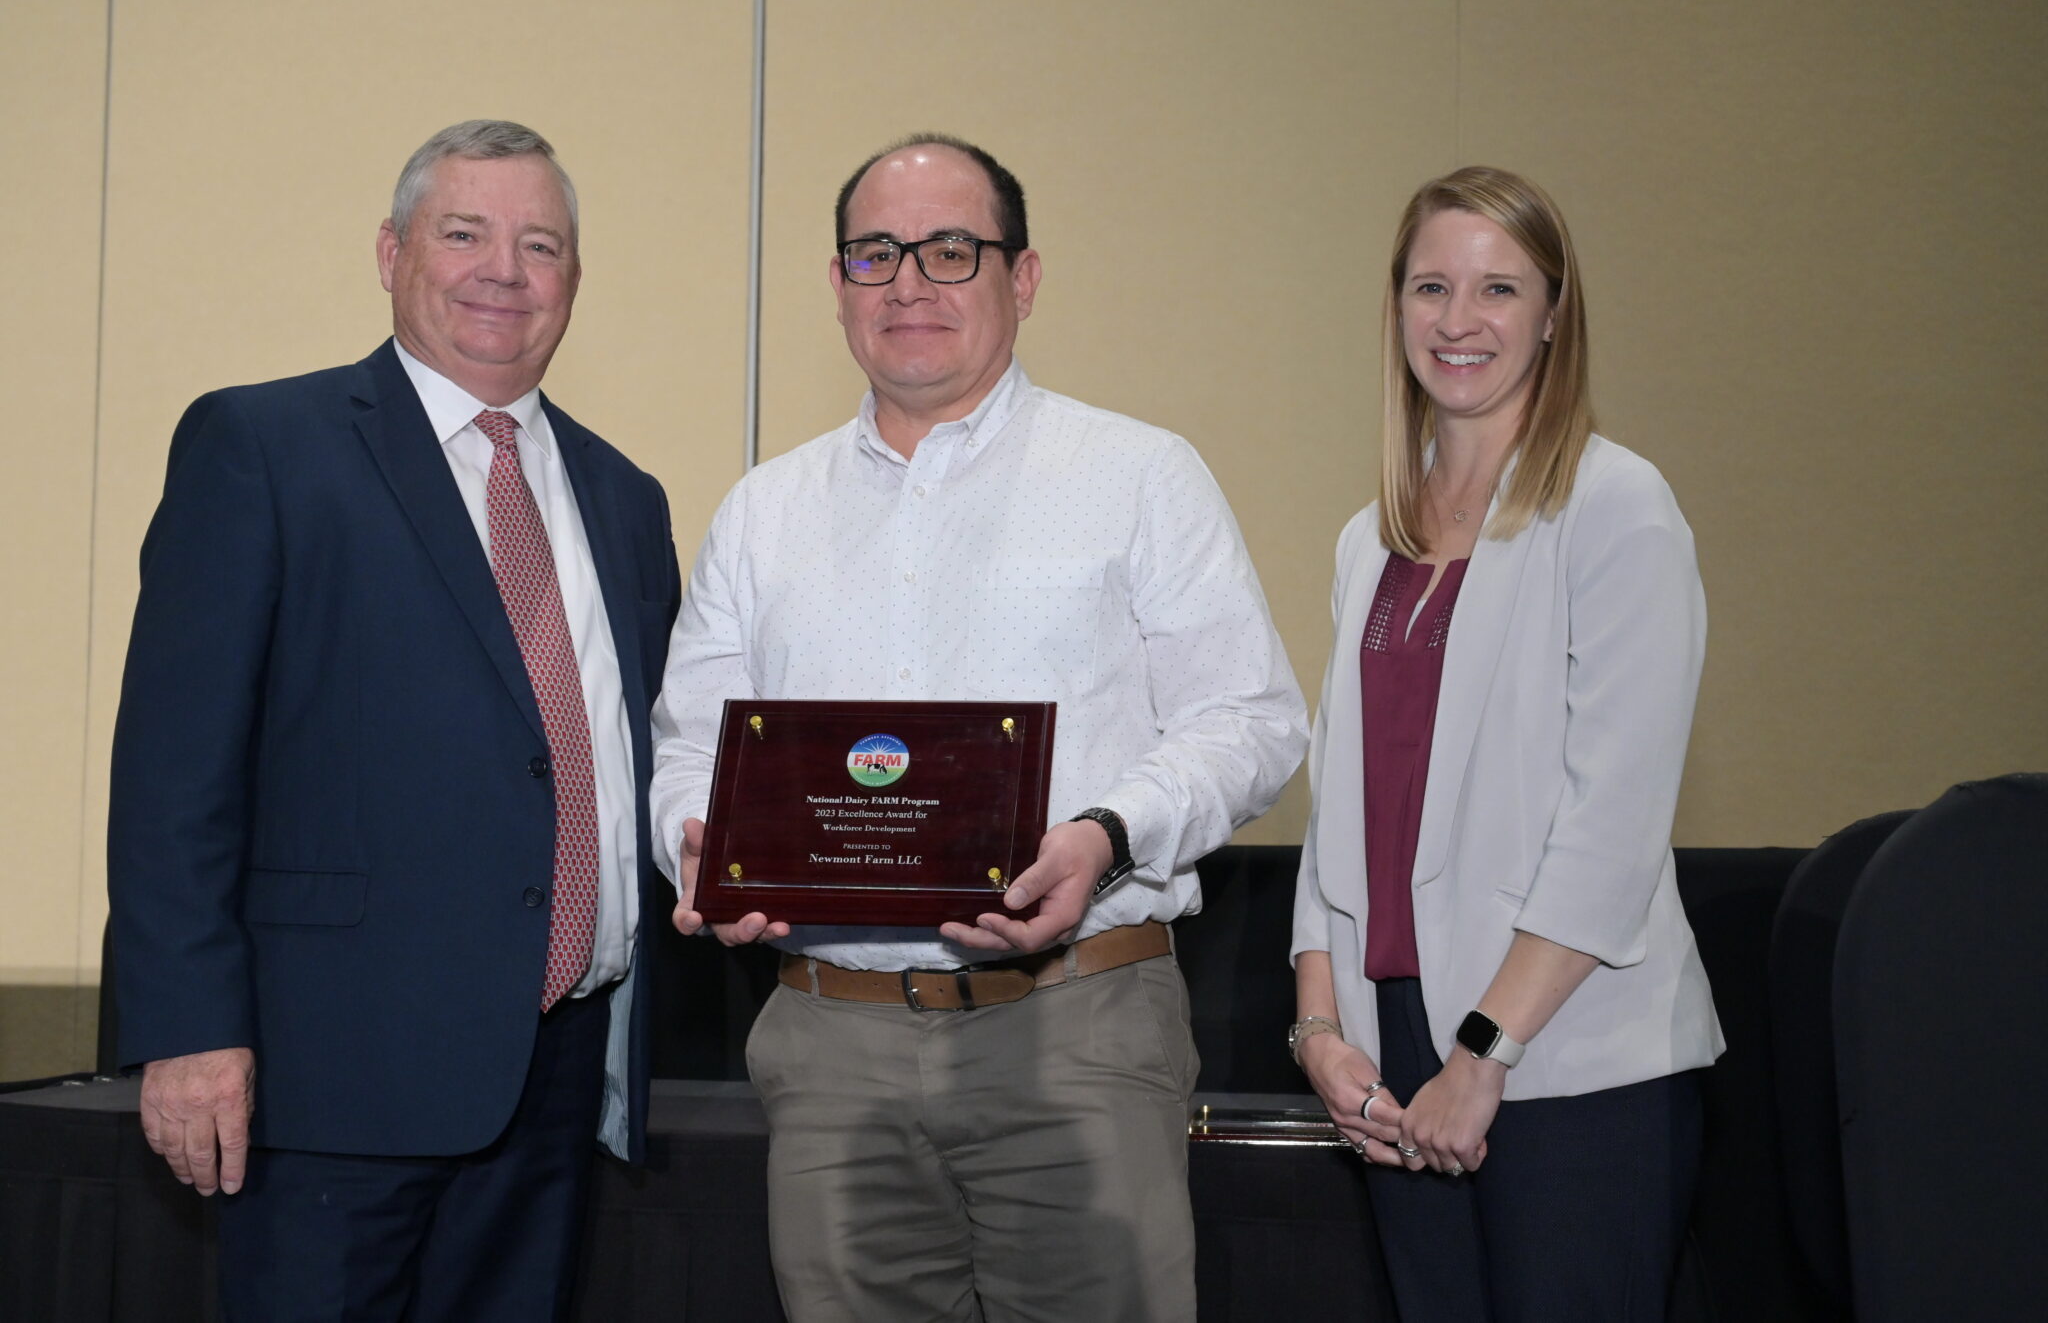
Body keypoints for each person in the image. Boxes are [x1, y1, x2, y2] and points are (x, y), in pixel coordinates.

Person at [650, 134, 1307, 1322]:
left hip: (1077, 1027)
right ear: (838, 283)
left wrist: (1107, 831)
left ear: (1025, 276)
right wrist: (694, 839)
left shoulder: (1139, 475)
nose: (909, 282)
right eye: (874, 253)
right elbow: (694, 739)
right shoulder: (762, 512)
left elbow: (1251, 718)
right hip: (830, 1045)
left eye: (951, 249)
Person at [106, 120, 681, 1322]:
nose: (502, 271)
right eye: (463, 232)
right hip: (330, 1075)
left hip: (559, 1069)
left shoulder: (625, 498)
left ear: (574, 280)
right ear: (390, 251)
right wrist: (190, 1031)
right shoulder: (263, 447)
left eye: (541, 245)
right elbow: (174, 774)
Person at [1289, 165, 1723, 1322]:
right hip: (1393, 1054)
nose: (1457, 319)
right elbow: (1342, 810)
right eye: (1430, 285)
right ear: (1394, 308)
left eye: (1496, 288)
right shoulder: (1364, 540)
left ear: (1551, 311)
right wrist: (1320, 1026)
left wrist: (1485, 1049)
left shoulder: (1615, 504)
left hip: (1564, 1060)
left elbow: (1612, 821)